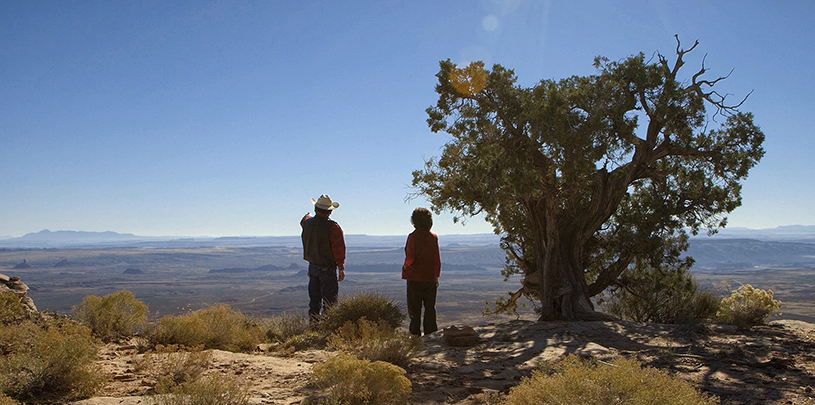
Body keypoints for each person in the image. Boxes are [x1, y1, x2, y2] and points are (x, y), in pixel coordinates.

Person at [301, 194, 346, 324]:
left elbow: (304, 220)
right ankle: (327, 327)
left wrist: (308, 215)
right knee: (330, 302)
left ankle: (314, 326)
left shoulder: (308, 223)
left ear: (316, 209)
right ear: (330, 212)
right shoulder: (333, 227)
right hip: (327, 269)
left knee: (314, 302)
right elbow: (339, 249)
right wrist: (341, 268)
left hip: (313, 267)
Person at [402, 207, 441, 336]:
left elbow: (410, 256)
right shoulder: (433, 237)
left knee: (414, 311)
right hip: (430, 277)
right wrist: (436, 275)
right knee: (430, 309)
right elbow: (436, 258)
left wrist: (406, 267)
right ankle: (431, 335)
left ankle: (415, 337)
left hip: (415, 278)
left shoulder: (413, 237)